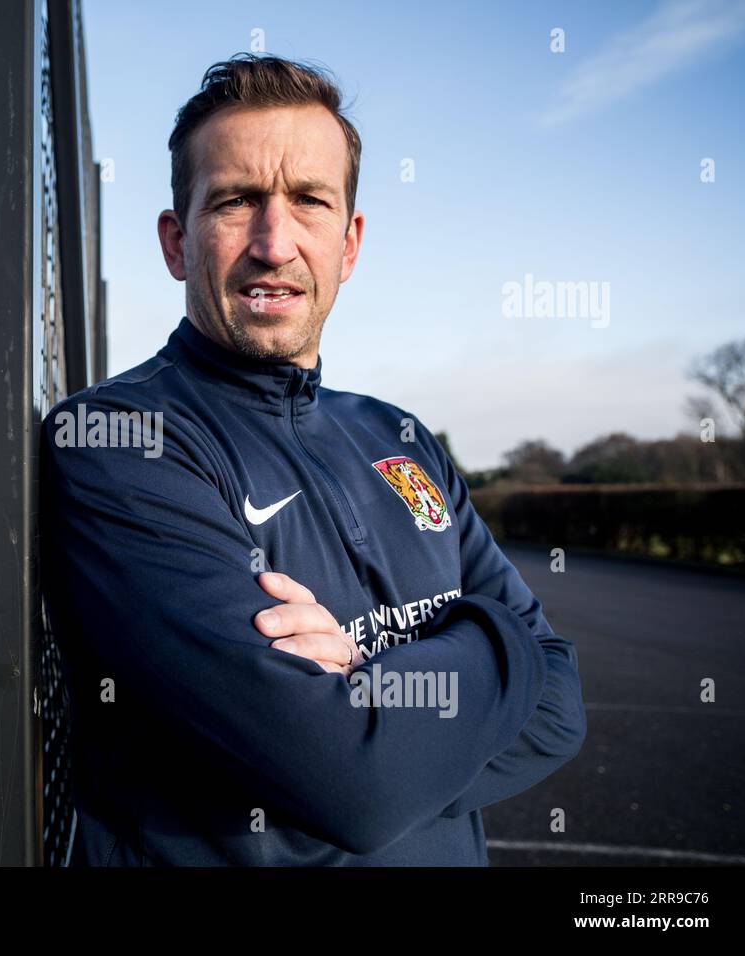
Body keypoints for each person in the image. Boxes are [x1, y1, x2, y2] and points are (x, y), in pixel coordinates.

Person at [38, 53, 586, 866]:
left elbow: (561, 709)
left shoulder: (400, 439)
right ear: (176, 242)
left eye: (309, 201)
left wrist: (373, 691)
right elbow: (355, 784)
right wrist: (494, 643)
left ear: (350, 241)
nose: (274, 242)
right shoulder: (119, 440)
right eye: (235, 201)